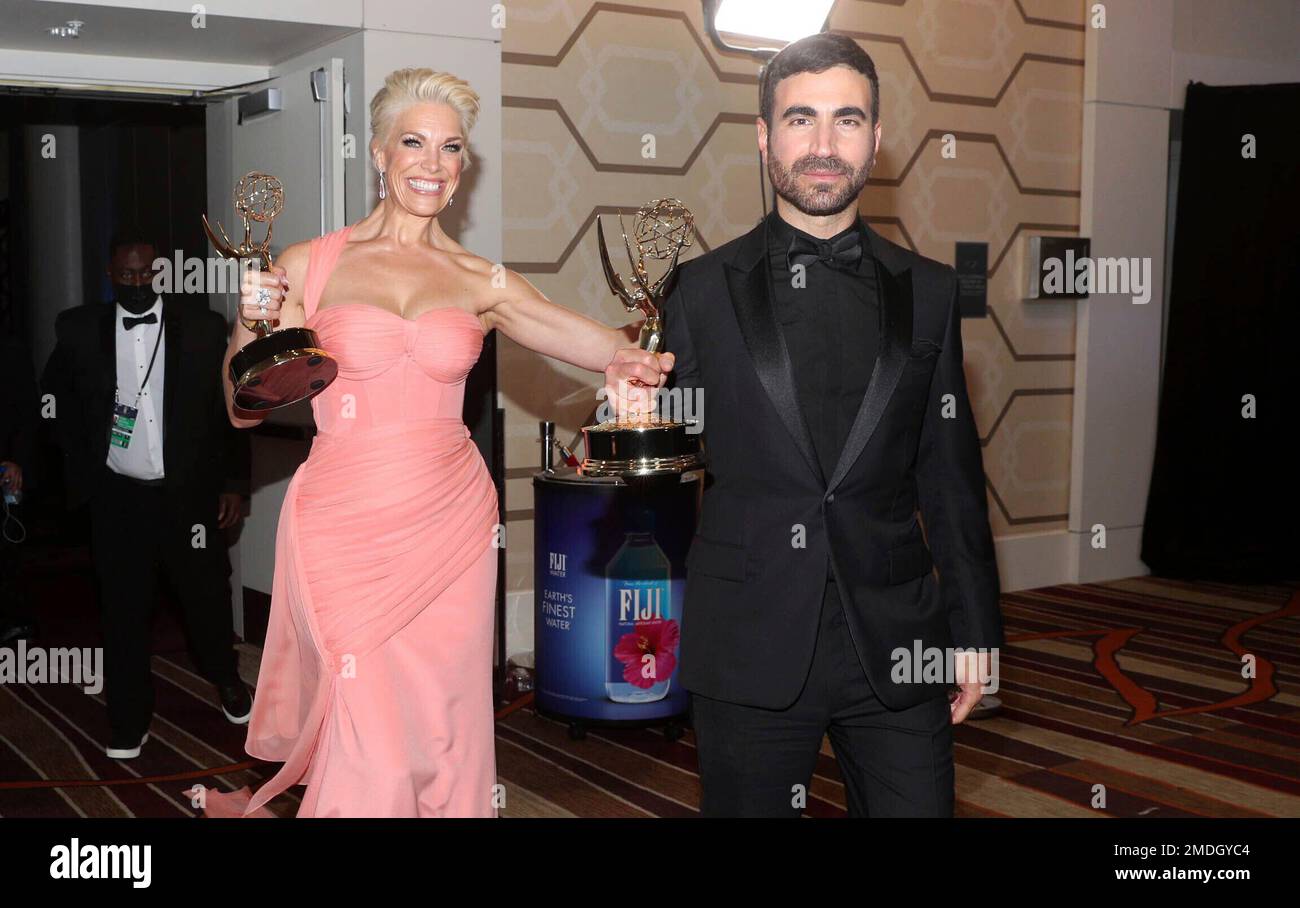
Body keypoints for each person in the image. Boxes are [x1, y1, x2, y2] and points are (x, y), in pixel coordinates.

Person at [203, 68, 654, 818]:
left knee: (444, 728)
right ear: (378, 152)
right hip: (343, 528)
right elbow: (240, 410)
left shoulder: (482, 278)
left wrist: (643, 355)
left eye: (450, 148)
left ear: (463, 167)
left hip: (451, 524)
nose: (432, 163)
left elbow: (604, 346)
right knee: (373, 743)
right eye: (413, 142)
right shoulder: (308, 265)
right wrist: (252, 322)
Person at [606, 33, 1003, 817]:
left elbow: (950, 477)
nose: (823, 146)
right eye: (800, 120)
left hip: (897, 642)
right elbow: (670, 439)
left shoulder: (927, 292)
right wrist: (629, 408)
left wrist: (974, 628)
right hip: (750, 637)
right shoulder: (697, 289)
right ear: (764, 137)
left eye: (846, 120)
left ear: (876, 139)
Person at [41, 227, 252, 759]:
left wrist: (233, 483)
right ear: (110, 276)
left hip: (187, 498)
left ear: (159, 272)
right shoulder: (79, 330)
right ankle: (128, 720)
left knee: (205, 600)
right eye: (127, 275)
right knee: (123, 612)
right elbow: (52, 401)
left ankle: (226, 679)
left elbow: (233, 410)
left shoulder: (203, 330)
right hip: (119, 501)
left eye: (146, 273)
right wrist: (82, 465)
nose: (138, 283)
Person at [0, 333, 40, 645]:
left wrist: (17, 460)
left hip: (4, 468)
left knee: (7, 549)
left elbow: (27, 412)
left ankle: (15, 626)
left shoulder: (11, 349)